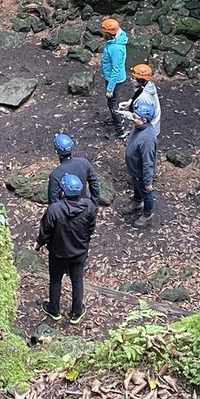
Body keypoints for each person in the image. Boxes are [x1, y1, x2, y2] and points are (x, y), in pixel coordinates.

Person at [36, 173, 97, 323]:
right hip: (79, 252)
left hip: (58, 253)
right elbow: (91, 228)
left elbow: (45, 230)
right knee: (77, 280)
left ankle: (54, 310)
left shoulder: (54, 209)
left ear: (63, 191)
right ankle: (76, 312)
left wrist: (40, 243)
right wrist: (85, 241)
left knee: (55, 280)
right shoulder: (89, 206)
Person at [123, 100, 159, 228]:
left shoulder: (147, 140)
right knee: (136, 185)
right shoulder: (138, 126)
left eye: (135, 117)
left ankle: (147, 213)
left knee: (146, 192)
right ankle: (137, 202)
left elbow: (148, 162)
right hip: (135, 170)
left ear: (144, 120)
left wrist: (148, 181)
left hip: (142, 172)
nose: (133, 118)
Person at [47, 133, 104, 205]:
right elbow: (94, 183)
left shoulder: (55, 175)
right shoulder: (84, 163)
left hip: (67, 212)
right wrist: (94, 204)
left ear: (56, 151)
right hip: (85, 208)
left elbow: (53, 201)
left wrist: (60, 213)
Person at [100, 17, 129, 139]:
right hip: (113, 78)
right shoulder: (116, 40)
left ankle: (119, 131)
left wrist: (110, 88)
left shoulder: (116, 48)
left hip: (114, 80)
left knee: (112, 104)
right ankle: (119, 119)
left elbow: (116, 68)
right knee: (114, 102)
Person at [119, 63, 161, 138]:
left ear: (140, 80)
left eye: (134, 78)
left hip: (147, 131)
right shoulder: (148, 86)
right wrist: (130, 103)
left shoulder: (144, 98)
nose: (131, 79)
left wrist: (123, 114)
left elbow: (140, 118)